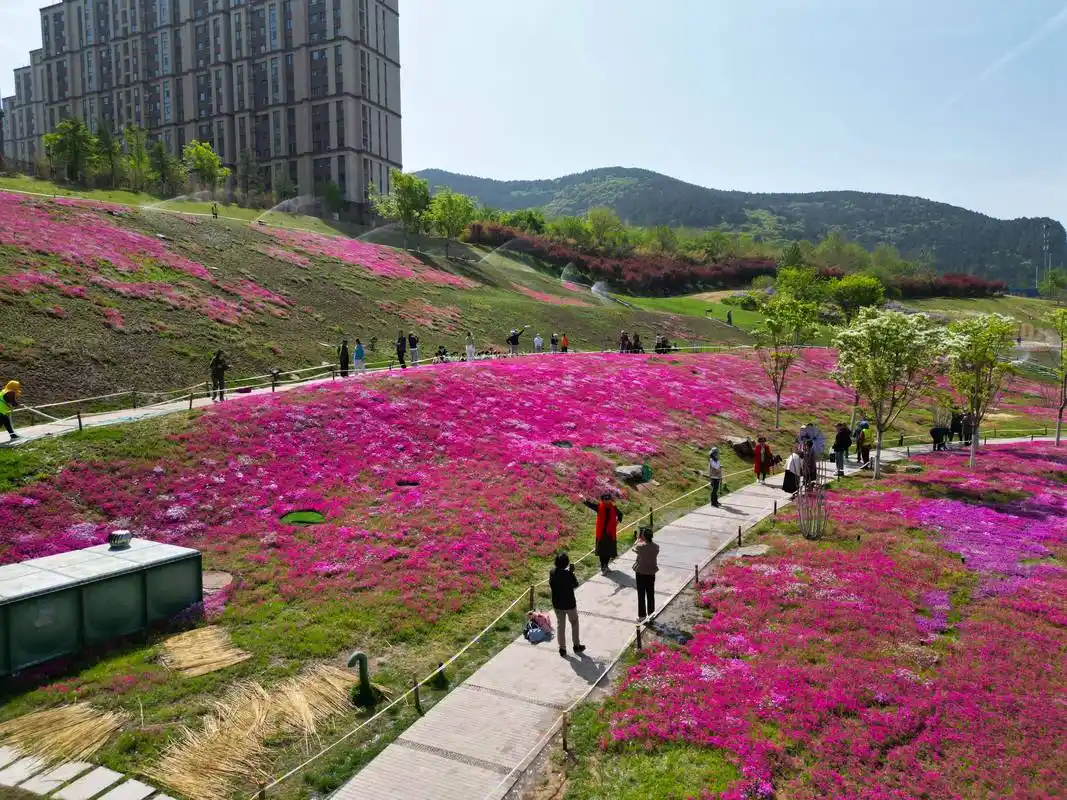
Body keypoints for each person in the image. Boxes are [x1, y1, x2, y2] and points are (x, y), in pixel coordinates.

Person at [549, 552, 585, 658]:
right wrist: (571, 572)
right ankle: (576, 645)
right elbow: (575, 584)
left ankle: (562, 648)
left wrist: (569, 573)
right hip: (569, 603)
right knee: (574, 623)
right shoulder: (568, 574)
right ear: (566, 564)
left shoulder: (552, 572)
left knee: (560, 625)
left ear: (556, 563)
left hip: (557, 603)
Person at [581, 492, 624, 574]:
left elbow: (620, 514)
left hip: (610, 532)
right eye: (605, 500)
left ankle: (606, 566)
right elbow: (590, 505)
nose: (607, 501)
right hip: (601, 532)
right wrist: (584, 499)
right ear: (602, 500)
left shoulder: (613, 508)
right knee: (602, 551)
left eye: (608, 499)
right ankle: (602, 567)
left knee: (609, 550)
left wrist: (616, 523)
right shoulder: (599, 507)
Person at [633, 528, 659, 620]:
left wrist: (637, 539)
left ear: (643, 536)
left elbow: (635, 548)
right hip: (651, 572)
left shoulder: (640, 547)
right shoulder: (656, 546)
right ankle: (651, 614)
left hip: (641, 573)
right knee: (650, 594)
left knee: (641, 594)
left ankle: (642, 616)